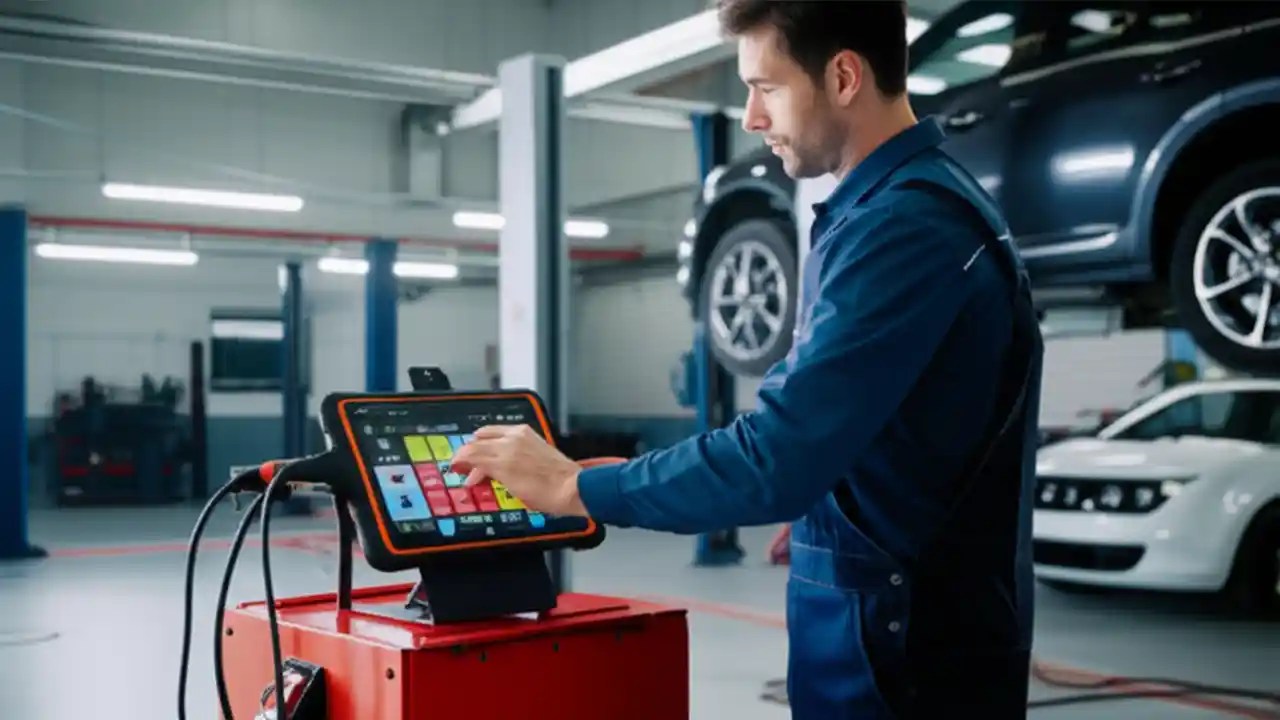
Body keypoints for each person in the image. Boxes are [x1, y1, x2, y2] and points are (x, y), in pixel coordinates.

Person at [451, 1, 1045, 717]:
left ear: (845, 76)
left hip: (905, 668)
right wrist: (835, 507)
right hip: (903, 641)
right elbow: (913, 425)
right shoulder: (905, 207)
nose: (752, 117)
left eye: (765, 87)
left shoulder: (903, 227)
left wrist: (576, 490)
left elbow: (775, 457)